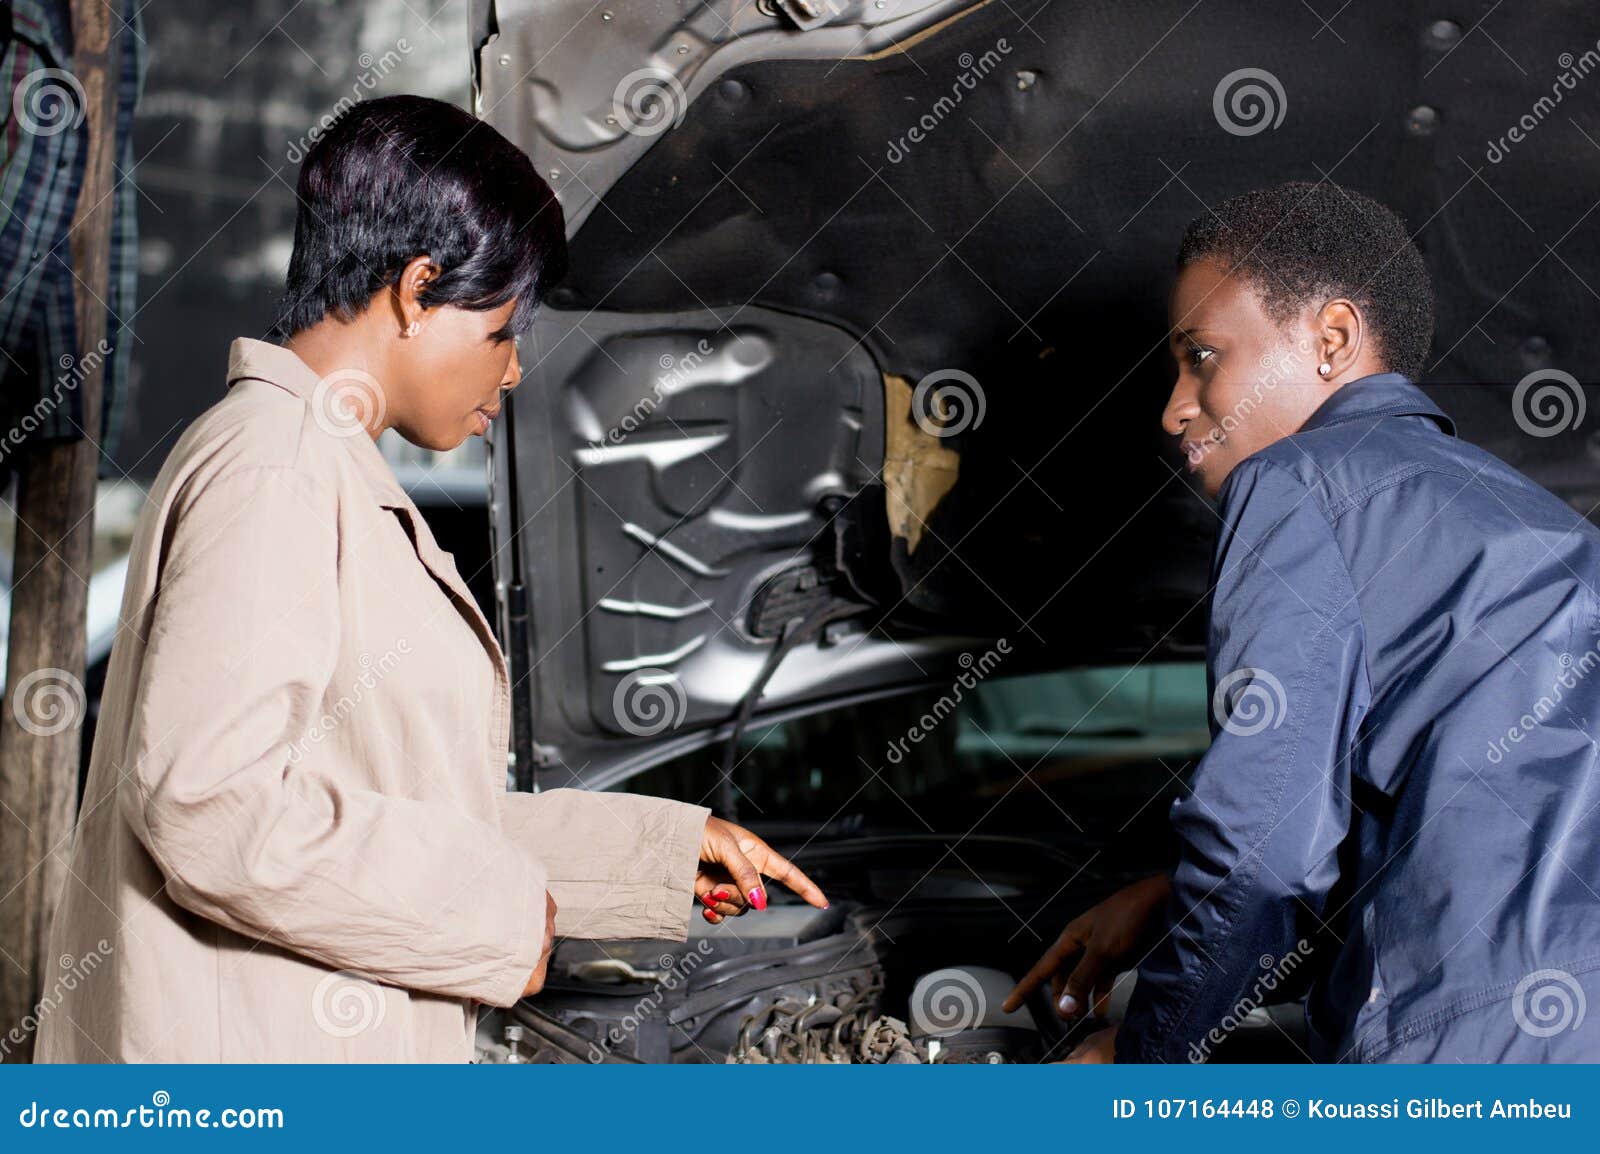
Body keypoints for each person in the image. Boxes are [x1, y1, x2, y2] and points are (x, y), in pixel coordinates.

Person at [38, 95, 825, 1063]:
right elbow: (212, 805)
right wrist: (491, 915)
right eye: (501, 329)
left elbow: (403, 811)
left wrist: (652, 857)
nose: (515, 370)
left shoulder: (310, 461)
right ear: (418, 290)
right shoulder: (277, 465)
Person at [1007, 181, 1600, 1063]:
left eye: (1201, 356)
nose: (1174, 407)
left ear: (1331, 341)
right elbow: (1493, 818)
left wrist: (1142, 1062)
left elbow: (1264, 852)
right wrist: (1171, 899)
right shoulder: (1541, 525)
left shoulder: (1298, 483)